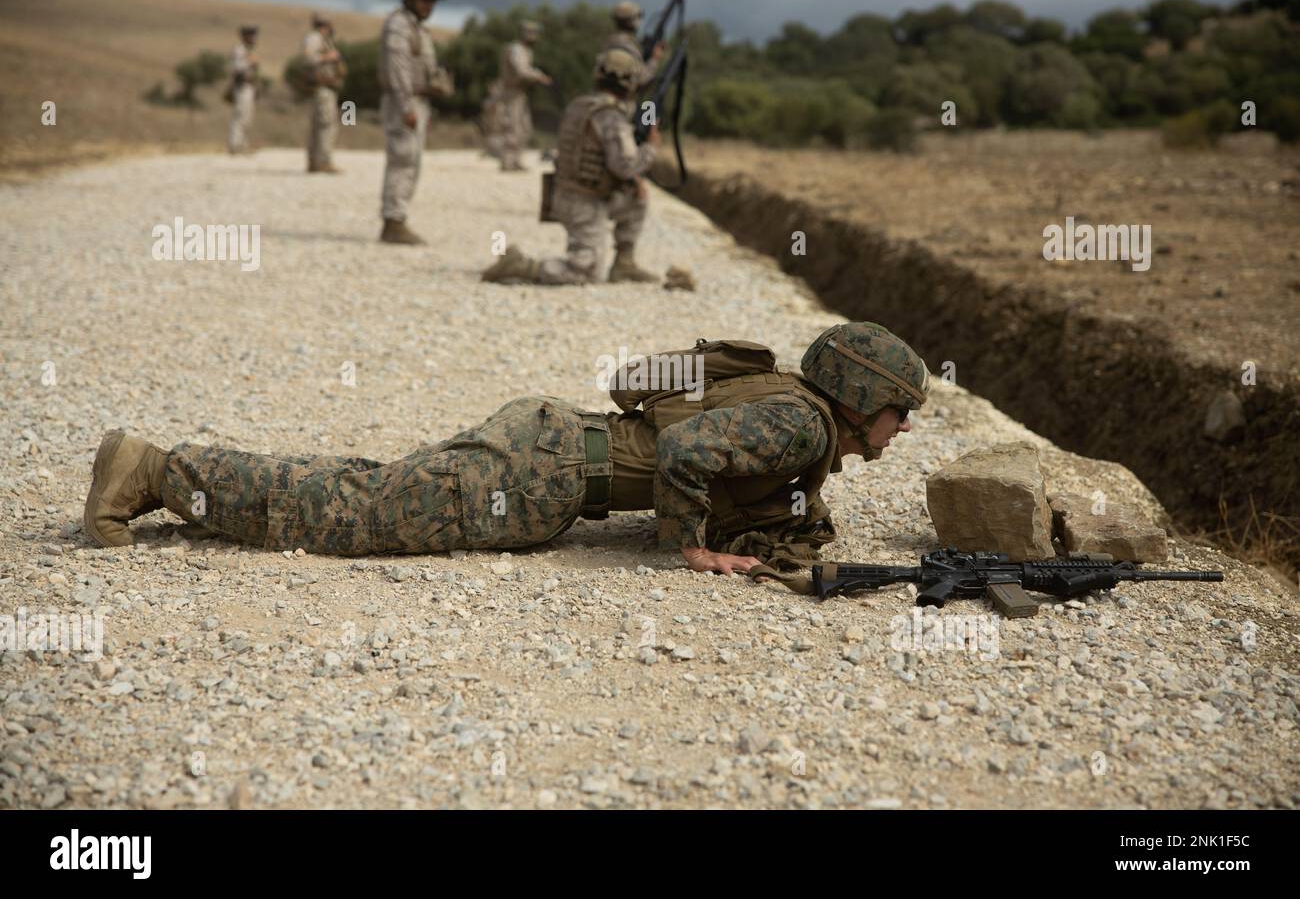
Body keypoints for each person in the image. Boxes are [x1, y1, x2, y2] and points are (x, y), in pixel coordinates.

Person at [81, 324, 928, 578]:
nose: (900, 430)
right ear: (860, 401)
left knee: (366, 489)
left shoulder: (783, 394)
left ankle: (163, 471)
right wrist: (691, 549)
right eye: (898, 412)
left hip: (552, 445)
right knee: (347, 516)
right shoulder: (804, 424)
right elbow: (687, 456)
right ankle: (152, 470)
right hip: (543, 478)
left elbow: (676, 419)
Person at [481, 48, 660, 285]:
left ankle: (624, 264)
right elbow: (625, 166)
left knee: (637, 197)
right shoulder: (611, 116)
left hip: (567, 194)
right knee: (586, 272)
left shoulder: (580, 105)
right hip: (585, 202)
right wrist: (651, 147)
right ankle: (521, 266)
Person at [378, 0, 454, 245]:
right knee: (403, 158)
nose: (429, 6)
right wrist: (406, 107)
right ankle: (393, 221)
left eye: (433, 1)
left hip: (418, 101)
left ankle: (398, 217)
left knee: (412, 161)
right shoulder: (399, 25)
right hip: (404, 101)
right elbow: (398, 70)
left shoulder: (419, 29)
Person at [485, 20, 552, 171]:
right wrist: (539, 76)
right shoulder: (516, 49)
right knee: (513, 128)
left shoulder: (525, 50)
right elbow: (521, 71)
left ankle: (515, 160)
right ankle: (508, 162)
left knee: (524, 128)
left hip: (519, 93)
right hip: (511, 93)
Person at [302, 14, 344, 173]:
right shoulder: (314, 38)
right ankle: (323, 161)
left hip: (327, 87)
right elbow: (308, 59)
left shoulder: (323, 40)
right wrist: (329, 57)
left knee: (320, 125)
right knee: (326, 125)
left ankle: (315, 161)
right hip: (322, 86)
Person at [603, 0, 664, 90]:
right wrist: (654, 60)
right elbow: (642, 81)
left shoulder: (611, 41)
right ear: (633, 21)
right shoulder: (627, 46)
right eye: (637, 17)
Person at [226, 25, 259, 155]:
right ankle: (235, 145)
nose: (254, 38)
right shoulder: (239, 50)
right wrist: (250, 62)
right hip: (241, 86)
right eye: (251, 36)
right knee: (240, 115)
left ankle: (243, 144)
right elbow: (237, 68)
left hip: (249, 86)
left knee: (247, 116)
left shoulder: (248, 50)